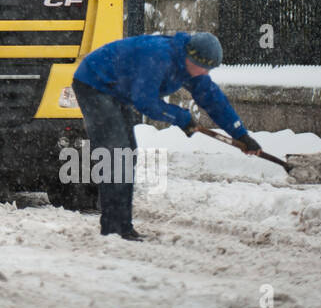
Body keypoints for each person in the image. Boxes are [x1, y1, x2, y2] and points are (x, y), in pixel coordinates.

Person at [71, 31, 261, 240]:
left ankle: (121, 225)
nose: (205, 73)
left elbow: (214, 100)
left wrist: (241, 134)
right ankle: (114, 227)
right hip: (94, 82)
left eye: (209, 69)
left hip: (117, 90)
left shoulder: (193, 69)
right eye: (204, 67)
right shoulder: (158, 57)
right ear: (191, 57)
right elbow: (145, 102)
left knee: (127, 154)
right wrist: (182, 118)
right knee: (117, 154)